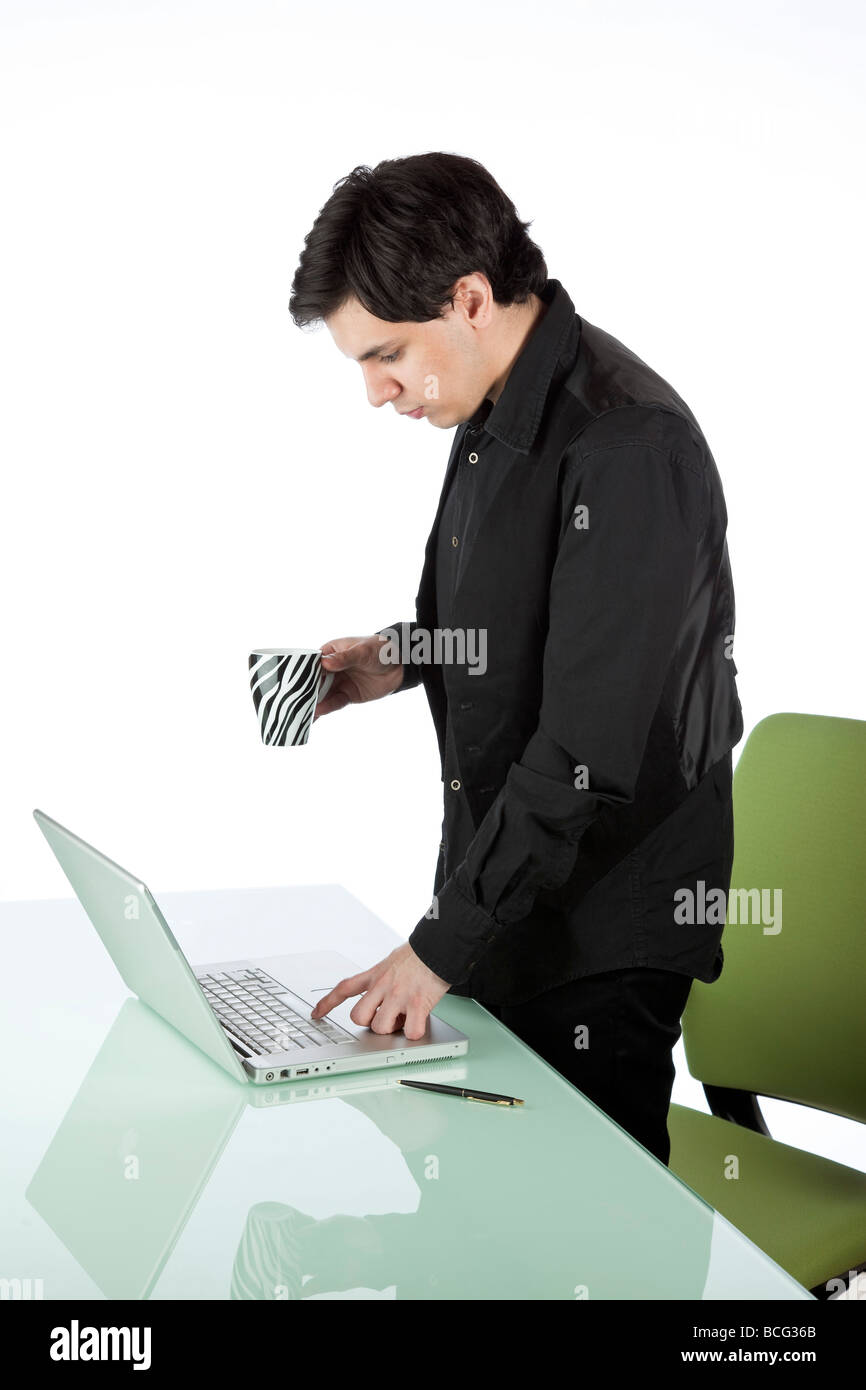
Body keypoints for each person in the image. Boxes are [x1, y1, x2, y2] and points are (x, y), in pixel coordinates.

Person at [287, 151, 744, 1166]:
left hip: (597, 941)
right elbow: (510, 627)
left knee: (576, 1246)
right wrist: (393, 662)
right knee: (473, 1216)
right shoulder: (488, 410)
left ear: (468, 297)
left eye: (386, 354)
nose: (375, 391)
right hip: (502, 906)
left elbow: (586, 740)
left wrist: (436, 947)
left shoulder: (627, 448)